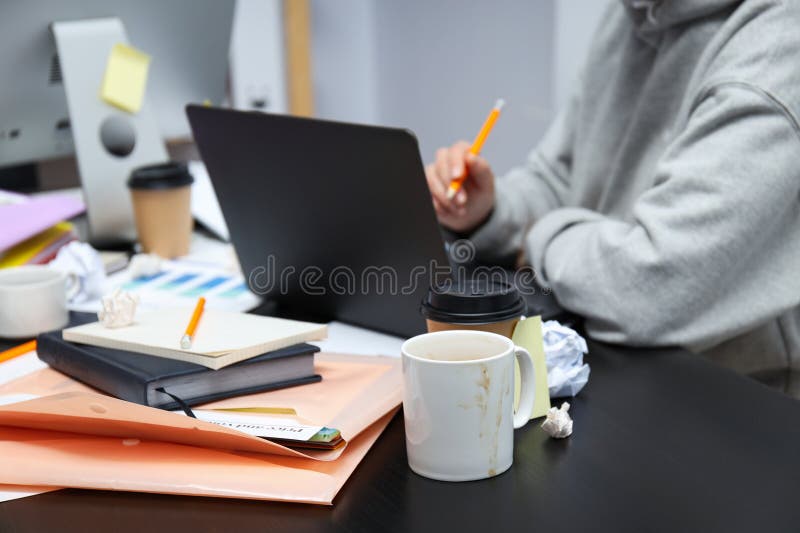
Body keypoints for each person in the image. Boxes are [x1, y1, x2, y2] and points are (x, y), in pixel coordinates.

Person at [425, 0, 800, 375]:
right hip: (603, 352)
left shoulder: (775, 51)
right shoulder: (633, 12)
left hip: (728, 396)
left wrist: (538, 239)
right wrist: (490, 213)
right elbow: (557, 179)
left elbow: (650, 286)